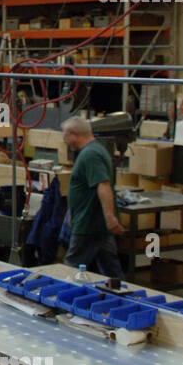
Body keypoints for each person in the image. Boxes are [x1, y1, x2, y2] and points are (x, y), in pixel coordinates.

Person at [61, 116, 125, 278]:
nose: (64, 140)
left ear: (75, 134)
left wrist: (110, 218)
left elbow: (103, 186)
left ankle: (60, 298)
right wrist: (72, 213)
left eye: (65, 136)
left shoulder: (91, 155)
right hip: (91, 221)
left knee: (71, 268)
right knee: (110, 268)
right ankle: (122, 294)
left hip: (88, 224)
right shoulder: (92, 151)